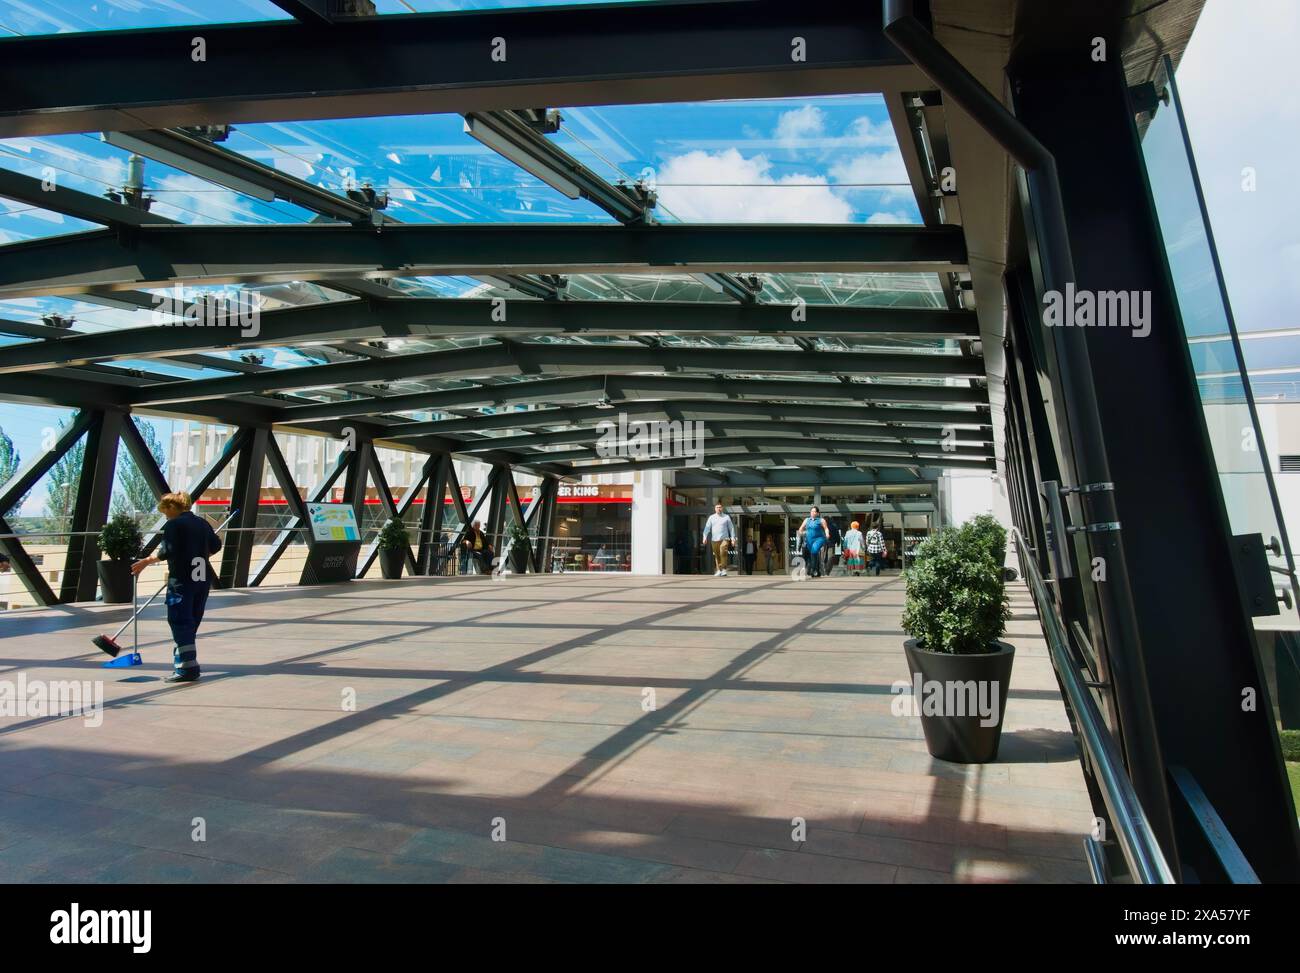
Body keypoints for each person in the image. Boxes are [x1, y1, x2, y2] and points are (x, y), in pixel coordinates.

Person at [130, 492, 221, 684]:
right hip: (202, 579)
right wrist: (198, 552)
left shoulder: (174, 524)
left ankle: (186, 669)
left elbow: (167, 550)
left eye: (165, 511)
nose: (165, 516)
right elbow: (216, 545)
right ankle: (186, 663)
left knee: (179, 620)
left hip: (181, 581)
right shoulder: (202, 523)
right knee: (191, 621)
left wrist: (146, 561)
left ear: (172, 507)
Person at [700, 502, 736, 577]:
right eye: (717, 507)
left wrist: (732, 539)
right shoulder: (711, 517)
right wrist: (704, 537)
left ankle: (724, 569)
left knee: (723, 552)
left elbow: (731, 528)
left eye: (720, 507)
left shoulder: (726, 517)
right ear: (715, 509)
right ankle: (719, 570)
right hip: (714, 539)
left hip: (724, 539)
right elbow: (707, 528)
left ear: (722, 508)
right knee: (717, 555)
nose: (719, 509)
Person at [797, 505, 830, 578]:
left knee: (814, 551)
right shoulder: (806, 520)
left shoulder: (821, 520)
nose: (812, 513)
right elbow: (801, 529)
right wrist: (801, 532)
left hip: (819, 538)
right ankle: (817, 571)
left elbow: (826, 528)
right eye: (811, 511)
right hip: (809, 540)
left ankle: (812, 570)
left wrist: (827, 534)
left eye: (814, 511)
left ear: (818, 513)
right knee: (813, 554)